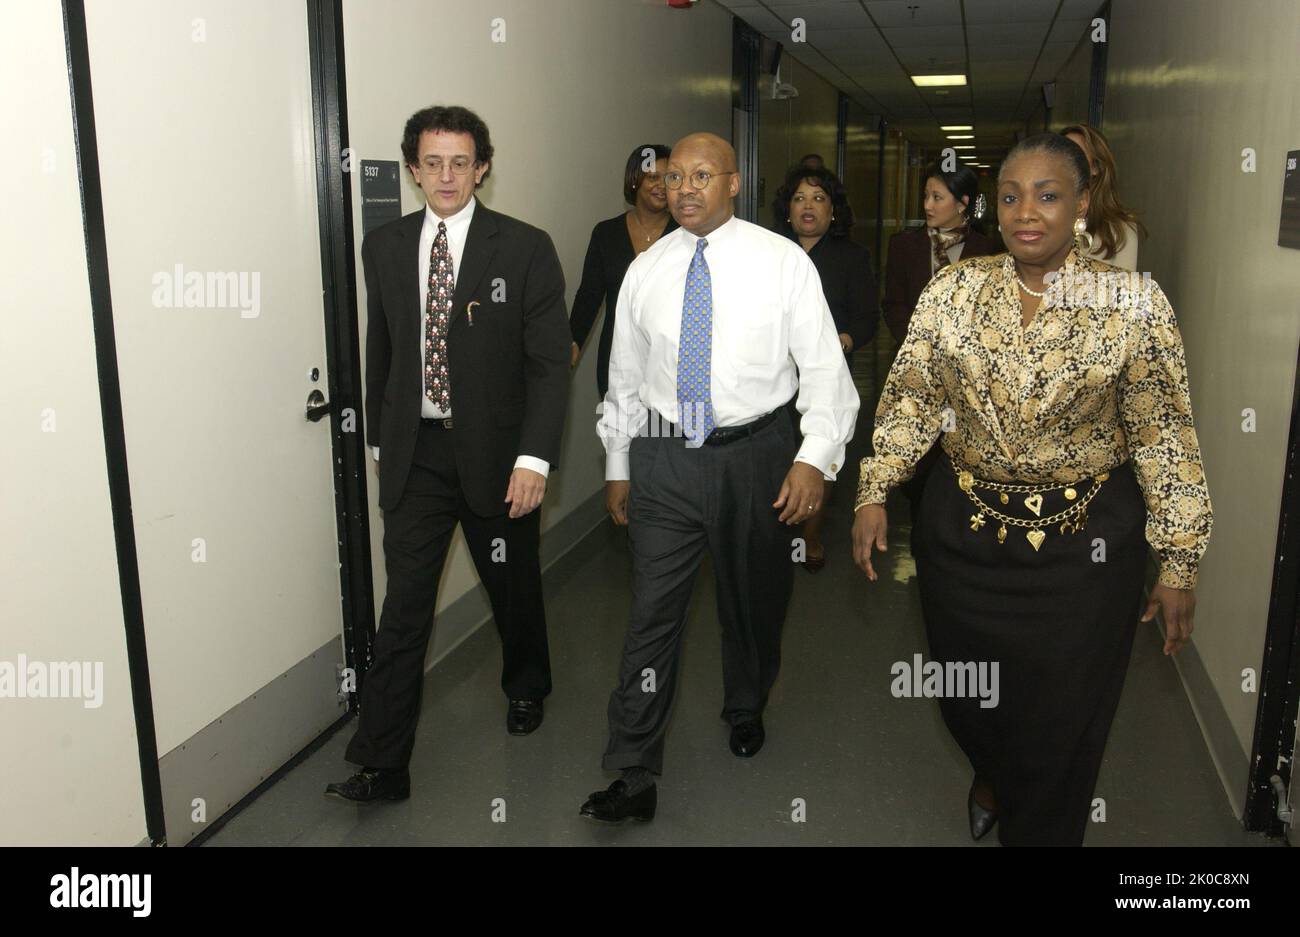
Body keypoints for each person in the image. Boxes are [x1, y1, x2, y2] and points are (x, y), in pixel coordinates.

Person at [852, 133, 1212, 846]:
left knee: (1063, 723)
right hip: (964, 538)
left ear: (1081, 203)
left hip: (1084, 551)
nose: (1027, 212)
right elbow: (913, 398)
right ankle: (994, 765)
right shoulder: (953, 290)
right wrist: (875, 487)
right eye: (1012, 196)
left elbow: (1162, 435)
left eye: (1048, 195)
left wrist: (1179, 559)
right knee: (970, 699)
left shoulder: (1131, 304)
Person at [581, 132, 859, 822]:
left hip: (758, 456)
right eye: (675, 177)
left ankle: (746, 702)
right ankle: (633, 764)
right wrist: (617, 462)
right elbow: (623, 377)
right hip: (665, 455)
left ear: (734, 183)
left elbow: (825, 368)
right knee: (651, 613)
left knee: (753, 600)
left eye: (702, 175)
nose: (685, 188)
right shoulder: (645, 271)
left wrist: (812, 456)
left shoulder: (782, 263)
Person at [325, 105, 571, 804]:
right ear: (412, 169)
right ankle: (383, 761)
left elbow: (550, 366)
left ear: (482, 168)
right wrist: (378, 435)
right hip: (417, 457)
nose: (446, 175)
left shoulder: (523, 248)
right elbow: (385, 346)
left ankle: (526, 685)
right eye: (432, 162)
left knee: (511, 586)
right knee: (403, 607)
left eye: (460, 161)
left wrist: (535, 460)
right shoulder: (386, 246)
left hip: (497, 457)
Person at [772, 163, 877, 572]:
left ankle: (809, 536)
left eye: (818, 199)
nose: (808, 207)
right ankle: (779, 525)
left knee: (820, 453)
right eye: (799, 199)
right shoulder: (773, 255)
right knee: (782, 456)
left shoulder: (851, 257)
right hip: (779, 378)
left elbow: (867, 316)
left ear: (834, 211)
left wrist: (846, 339)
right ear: (788, 210)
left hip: (827, 374)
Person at [881, 162, 997, 522]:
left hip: (970, 377)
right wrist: (920, 346)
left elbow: (994, 313)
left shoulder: (990, 250)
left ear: (962, 203)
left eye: (937, 197)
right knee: (919, 456)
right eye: (926, 197)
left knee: (962, 454)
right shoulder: (904, 245)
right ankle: (922, 525)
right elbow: (894, 304)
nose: (927, 205)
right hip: (919, 370)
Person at [569, 144, 678, 398]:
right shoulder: (606, 234)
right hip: (617, 356)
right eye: (652, 177)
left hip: (670, 361)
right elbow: (588, 297)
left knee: (663, 436)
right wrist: (571, 344)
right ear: (634, 181)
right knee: (622, 434)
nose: (661, 185)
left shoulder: (686, 235)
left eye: (669, 178)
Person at [1061, 123, 1146, 271]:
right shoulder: (1041, 218)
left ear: (1095, 168)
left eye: (1075, 154)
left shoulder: (1120, 231)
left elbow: (1122, 289)